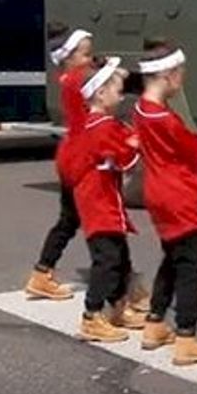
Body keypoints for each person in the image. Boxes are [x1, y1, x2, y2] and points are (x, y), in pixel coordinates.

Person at [132, 39, 197, 366]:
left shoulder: (141, 109)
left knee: (171, 259)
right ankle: (187, 336)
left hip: (158, 193)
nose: (182, 78)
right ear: (168, 75)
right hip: (180, 197)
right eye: (180, 72)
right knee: (190, 269)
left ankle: (155, 321)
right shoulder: (166, 120)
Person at [63, 58, 146, 342]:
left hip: (102, 202)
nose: (121, 96)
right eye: (117, 90)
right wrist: (135, 143)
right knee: (107, 261)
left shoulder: (96, 123)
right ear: (100, 93)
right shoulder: (102, 128)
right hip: (100, 204)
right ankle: (91, 315)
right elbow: (127, 159)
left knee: (120, 258)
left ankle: (119, 306)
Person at [25, 24, 94, 300]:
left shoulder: (67, 78)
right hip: (82, 158)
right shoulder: (79, 80)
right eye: (86, 54)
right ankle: (121, 285)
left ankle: (42, 272)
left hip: (70, 156)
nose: (91, 59)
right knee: (101, 222)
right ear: (69, 57)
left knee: (70, 219)